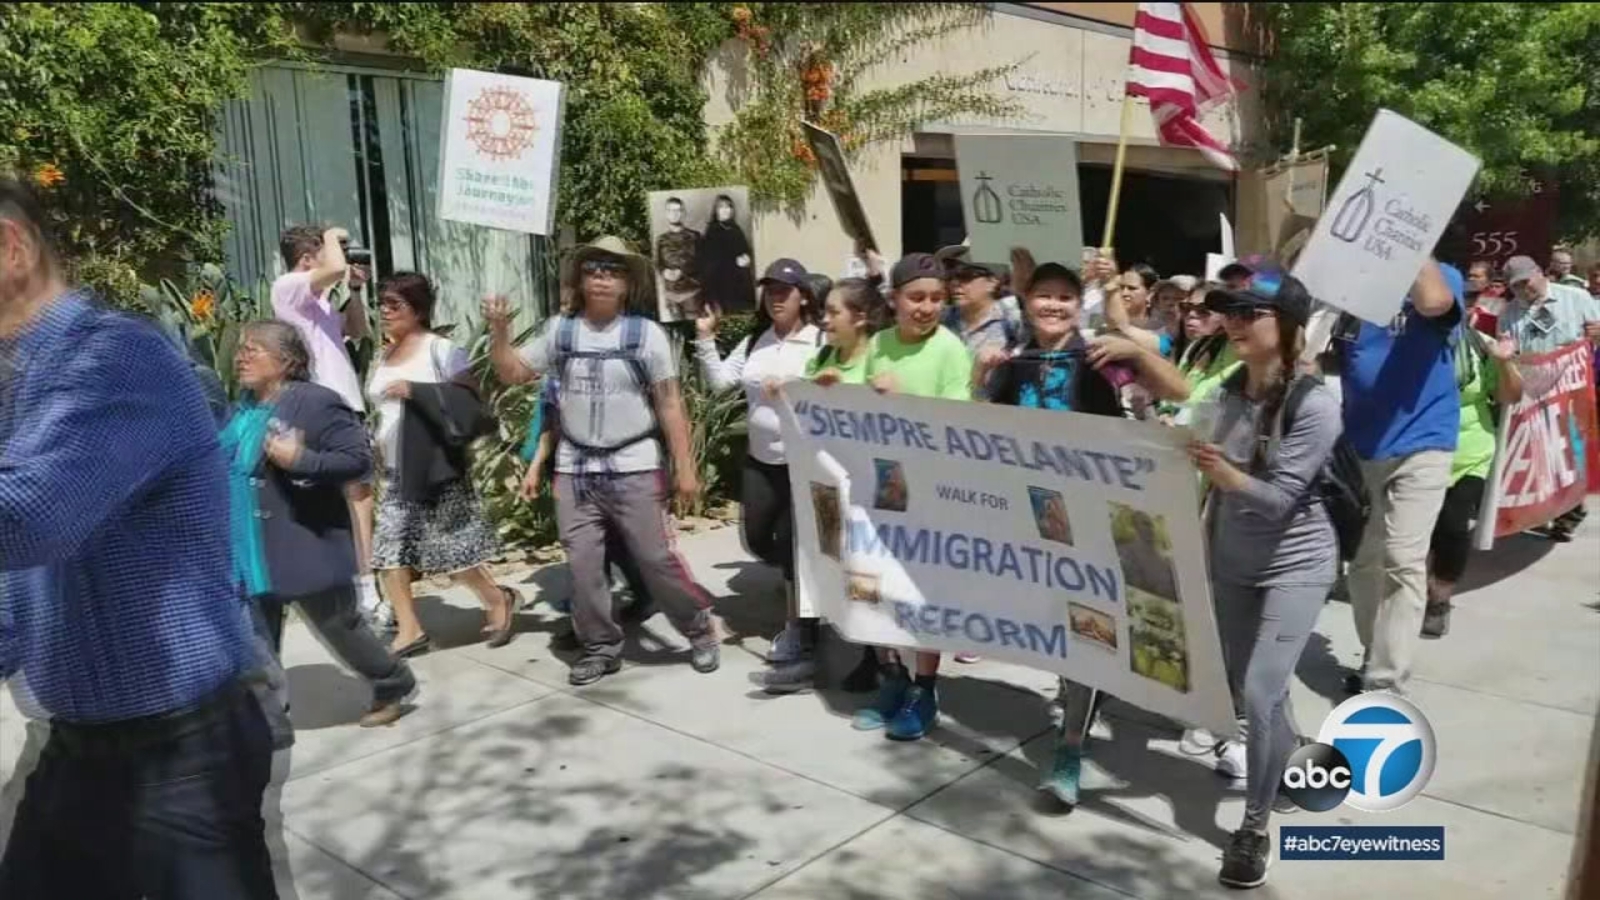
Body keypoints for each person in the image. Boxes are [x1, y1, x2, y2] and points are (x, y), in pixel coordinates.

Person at [0, 177, 277, 897]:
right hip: (80, 747)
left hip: (183, 756)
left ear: (9, 248)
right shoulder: (20, 377)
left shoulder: (113, 358)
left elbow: (28, 517)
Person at [974, 259, 1191, 806]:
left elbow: (1180, 390)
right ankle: (1075, 696)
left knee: (1088, 628)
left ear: (1079, 304)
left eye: (1064, 298)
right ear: (1025, 303)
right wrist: (980, 381)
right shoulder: (1012, 363)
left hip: (1093, 517)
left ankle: (1070, 748)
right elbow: (976, 436)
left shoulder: (1098, 358)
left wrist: (1137, 352)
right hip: (1031, 522)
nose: (1053, 305)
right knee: (1057, 626)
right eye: (1042, 296)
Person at [484, 236, 721, 686]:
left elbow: (670, 404)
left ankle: (697, 627)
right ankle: (600, 646)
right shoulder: (561, 330)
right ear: (580, 277)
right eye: (593, 268)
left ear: (628, 283)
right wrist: (499, 331)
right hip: (576, 468)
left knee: (654, 557)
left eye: (611, 270)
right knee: (583, 563)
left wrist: (685, 468)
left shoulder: (645, 335)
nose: (600, 277)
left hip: (634, 463)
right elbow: (514, 371)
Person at [1187, 268, 1342, 890]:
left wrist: (1217, 470)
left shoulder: (1315, 403)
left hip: (1297, 564)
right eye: (1229, 310)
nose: (1235, 321)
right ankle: (1301, 760)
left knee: (1257, 694)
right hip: (1231, 562)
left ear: (1290, 327)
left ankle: (1252, 829)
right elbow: (1187, 431)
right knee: (1262, 690)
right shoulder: (1223, 386)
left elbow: (1277, 500)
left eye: (1252, 311)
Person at [226, 320, 417, 727]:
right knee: (258, 634)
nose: (241, 356)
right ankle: (267, 712)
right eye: (241, 348)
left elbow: (359, 460)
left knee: (339, 625)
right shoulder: (244, 405)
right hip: (253, 544)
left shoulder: (315, 402)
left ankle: (392, 681)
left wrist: (301, 461)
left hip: (304, 540)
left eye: (253, 349)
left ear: (286, 360)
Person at [815, 252, 974, 741]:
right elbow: (860, 398)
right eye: (916, 297)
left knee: (922, 594)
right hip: (877, 491)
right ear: (895, 299)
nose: (926, 308)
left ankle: (924, 689)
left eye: (935, 299)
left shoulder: (951, 348)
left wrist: (902, 398)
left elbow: (959, 420)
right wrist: (830, 387)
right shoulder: (879, 342)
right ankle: (892, 679)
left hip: (930, 494)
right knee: (877, 586)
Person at [367, 272, 519, 657]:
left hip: (435, 468)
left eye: (394, 304)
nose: (384, 311)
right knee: (389, 552)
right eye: (381, 302)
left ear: (417, 310)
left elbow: (469, 400)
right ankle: (410, 630)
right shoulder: (381, 354)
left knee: (452, 556)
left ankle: (498, 598)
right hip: (393, 472)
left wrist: (415, 391)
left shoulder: (442, 350)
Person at [1333, 259, 1463, 695]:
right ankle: (1376, 652)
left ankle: (1386, 685)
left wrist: (1411, 241)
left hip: (1424, 439)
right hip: (1361, 444)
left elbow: (1435, 303)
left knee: (1403, 560)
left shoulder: (1440, 276)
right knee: (1363, 562)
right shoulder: (1348, 282)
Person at [694, 258, 824, 685]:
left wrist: (795, 392)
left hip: (803, 464)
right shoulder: (756, 340)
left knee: (790, 545)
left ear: (803, 295)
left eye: (783, 291)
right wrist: (705, 338)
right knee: (756, 537)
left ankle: (799, 629)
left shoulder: (820, 340)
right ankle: (802, 585)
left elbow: (837, 392)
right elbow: (719, 383)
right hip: (760, 460)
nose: (775, 299)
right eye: (769, 291)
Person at [272, 224, 383, 628]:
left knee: (359, 495)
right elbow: (333, 267)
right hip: (315, 409)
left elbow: (357, 330)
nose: (340, 257)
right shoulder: (287, 287)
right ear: (306, 260)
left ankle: (366, 589)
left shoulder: (318, 304)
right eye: (326, 251)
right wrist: (333, 235)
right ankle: (331, 589)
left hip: (345, 407)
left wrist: (354, 291)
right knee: (320, 498)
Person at [806, 276, 893, 693]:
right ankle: (870, 654)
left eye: (833, 313)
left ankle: (889, 659)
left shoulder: (879, 356)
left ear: (860, 318)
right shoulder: (821, 357)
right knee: (850, 574)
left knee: (876, 575)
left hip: (876, 490)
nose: (825, 321)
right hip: (833, 488)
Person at [1423, 320, 1523, 637]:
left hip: (1469, 455)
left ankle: (1438, 601)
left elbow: (1510, 394)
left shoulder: (1480, 343)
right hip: (1418, 450)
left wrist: (1504, 362)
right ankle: (1409, 595)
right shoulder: (1404, 339)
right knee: (1416, 534)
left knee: (1452, 529)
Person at [1498, 254, 1600, 542]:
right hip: (1534, 394)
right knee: (1542, 457)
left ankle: (1571, 510)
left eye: (1526, 282)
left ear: (1541, 272)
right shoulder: (1509, 313)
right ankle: (1548, 509)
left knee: (1571, 452)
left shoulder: (1576, 297)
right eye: (1515, 286)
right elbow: (1508, 350)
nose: (1523, 290)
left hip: (1572, 390)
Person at [941, 258, 1020, 401]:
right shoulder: (942, 318)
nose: (955, 283)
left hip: (993, 409)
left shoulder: (1010, 314)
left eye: (966, 277)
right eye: (951, 276)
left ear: (992, 282)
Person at [696, 194, 756, 313]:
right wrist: (735, 262)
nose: (725, 210)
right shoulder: (712, 231)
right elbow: (711, 262)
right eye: (721, 207)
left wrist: (747, 258)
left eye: (728, 207)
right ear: (716, 211)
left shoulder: (736, 229)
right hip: (720, 285)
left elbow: (745, 250)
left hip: (740, 282)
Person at [655, 196, 702, 319]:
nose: (674, 214)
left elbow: (703, 263)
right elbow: (658, 263)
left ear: (683, 213)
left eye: (678, 210)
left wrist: (682, 271)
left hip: (691, 293)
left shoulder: (695, 236)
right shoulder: (661, 240)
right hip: (671, 295)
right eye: (671, 210)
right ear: (666, 214)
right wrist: (664, 272)